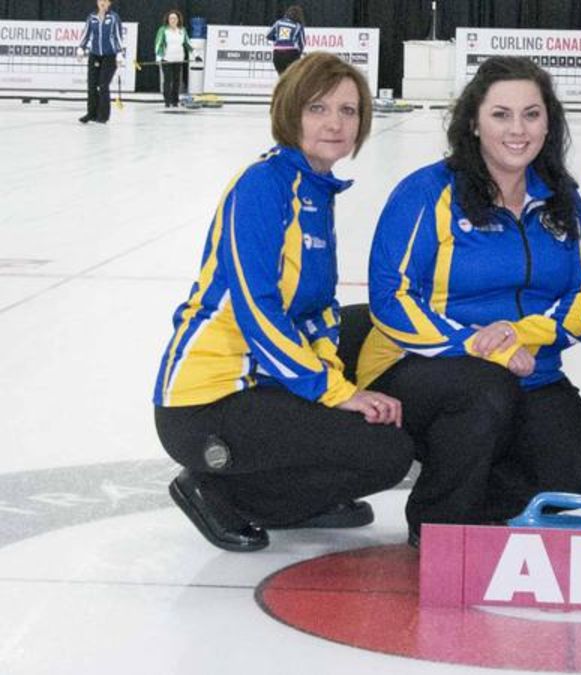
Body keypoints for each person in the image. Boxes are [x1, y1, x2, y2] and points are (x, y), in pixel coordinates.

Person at [153, 52, 414, 553]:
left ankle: (302, 493)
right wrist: (334, 391)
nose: (336, 123)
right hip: (206, 403)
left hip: (263, 377)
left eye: (349, 110)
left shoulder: (315, 190)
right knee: (387, 452)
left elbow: (317, 309)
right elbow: (257, 310)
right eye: (318, 109)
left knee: (374, 329)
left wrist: (333, 373)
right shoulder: (263, 186)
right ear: (290, 111)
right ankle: (220, 489)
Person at [357, 56, 581, 547]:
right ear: (473, 121)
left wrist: (523, 333)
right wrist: (477, 343)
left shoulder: (564, 203)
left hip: (529, 370)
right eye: (501, 114)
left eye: (532, 115)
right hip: (419, 365)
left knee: (579, 471)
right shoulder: (427, 193)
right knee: (484, 391)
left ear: (548, 122)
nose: (518, 129)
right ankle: (437, 525)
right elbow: (390, 298)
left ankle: (482, 500)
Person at [76, 0, 124, 124]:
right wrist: (81, 47)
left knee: (103, 85)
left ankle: (103, 116)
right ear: (97, 3)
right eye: (100, 1)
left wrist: (119, 53)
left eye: (105, 1)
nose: (102, 3)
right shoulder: (91, 17)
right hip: (95, 55)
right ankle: (91, 113)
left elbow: (118, 36)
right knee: (92, 85)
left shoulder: (114, 17)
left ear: (109, 3)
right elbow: (85, 34)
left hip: (110, 56)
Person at [154, 9, 192, 108]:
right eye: (171, 18)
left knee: (176, 81)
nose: (173, 20)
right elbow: (158, 44)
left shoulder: (182, 30)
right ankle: (167, 101)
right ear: (168, 19)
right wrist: (158, 57)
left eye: (175, 18)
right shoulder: (163, 30)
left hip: (178, 59)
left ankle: (175, 100)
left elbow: (188, 44)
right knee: (168, 80)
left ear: (178, 20)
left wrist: (196, 55)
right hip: (166, 59)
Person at [266, 5, 306, 76]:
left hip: (277, 54)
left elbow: (268, 35)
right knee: (292, 77)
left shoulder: (278, 23)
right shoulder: (298, 26)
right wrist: (299, 53)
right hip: (291, 54)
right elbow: (302, 43)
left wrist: (278, 39)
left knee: (282, 77)